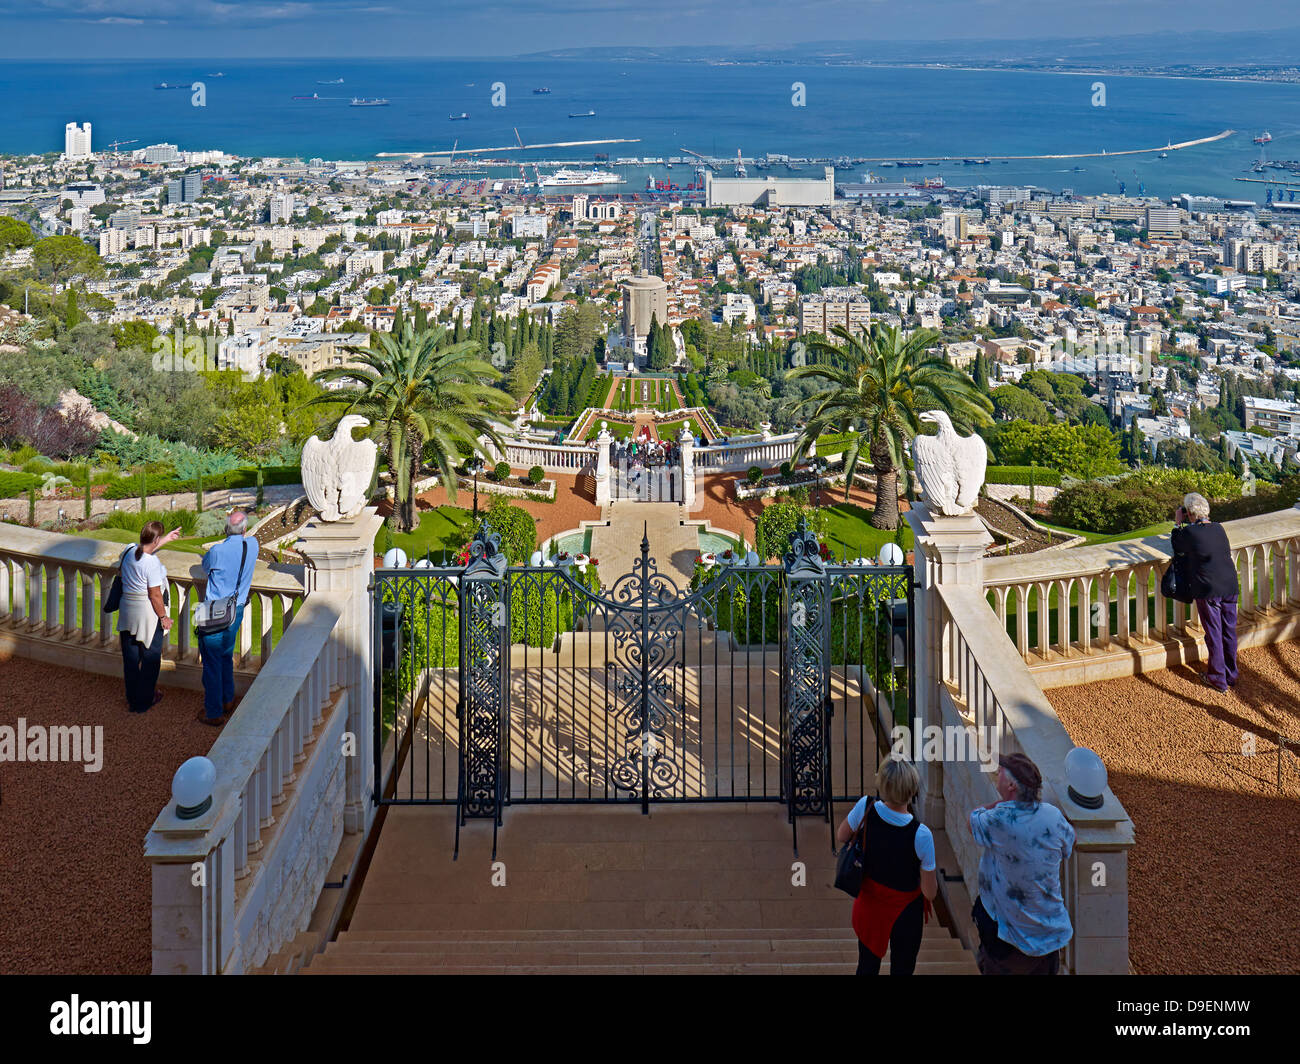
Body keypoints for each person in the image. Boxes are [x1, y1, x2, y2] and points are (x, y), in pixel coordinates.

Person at [969, 753, 1075, 975]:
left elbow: (973, 820)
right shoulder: (1053, 816)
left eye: (999, 773)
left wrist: (995, 805)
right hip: (1048, 936)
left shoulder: (998, 818)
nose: (996, 775)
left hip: (1006, 940)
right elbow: (1068, 846)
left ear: (1010, 785)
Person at [836, 756, 937, 975]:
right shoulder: (921, 834)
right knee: (903, 968)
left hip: (870, 904)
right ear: (911, 791)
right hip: (906, 911)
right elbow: (929, 893)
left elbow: (842, 834)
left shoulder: (865, 807)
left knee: (866, 966)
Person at [1170, 492, 1240, 692]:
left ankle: (1217, 679)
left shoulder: (1190, 533)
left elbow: (1177, 543)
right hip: (1230, 585)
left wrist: (1177, 523)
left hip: (1209, 589)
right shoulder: (1219, 528)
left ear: (1189, 513)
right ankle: (1231, 674)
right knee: (1229, 631)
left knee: (1214, 633)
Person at [197, 511, 256, 726]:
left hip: (213, 610)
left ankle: (213, 712)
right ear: (244, 529)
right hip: (236, 609)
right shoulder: (253, 545)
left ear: (225, 530)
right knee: (225, 655)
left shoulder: (217, 551)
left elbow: (205, 568)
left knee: (211, 663)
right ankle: (228, 699)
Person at [117, 520, 181, 713]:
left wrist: (165, 539)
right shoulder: (151, 563)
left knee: (130, 659)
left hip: (127, 611)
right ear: (156, 539)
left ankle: (132, 698)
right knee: (151, 659)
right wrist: (164, 617)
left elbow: (142, 551)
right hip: (147, 615)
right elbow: (155, 595)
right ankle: (144, 701)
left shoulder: (128, 552)